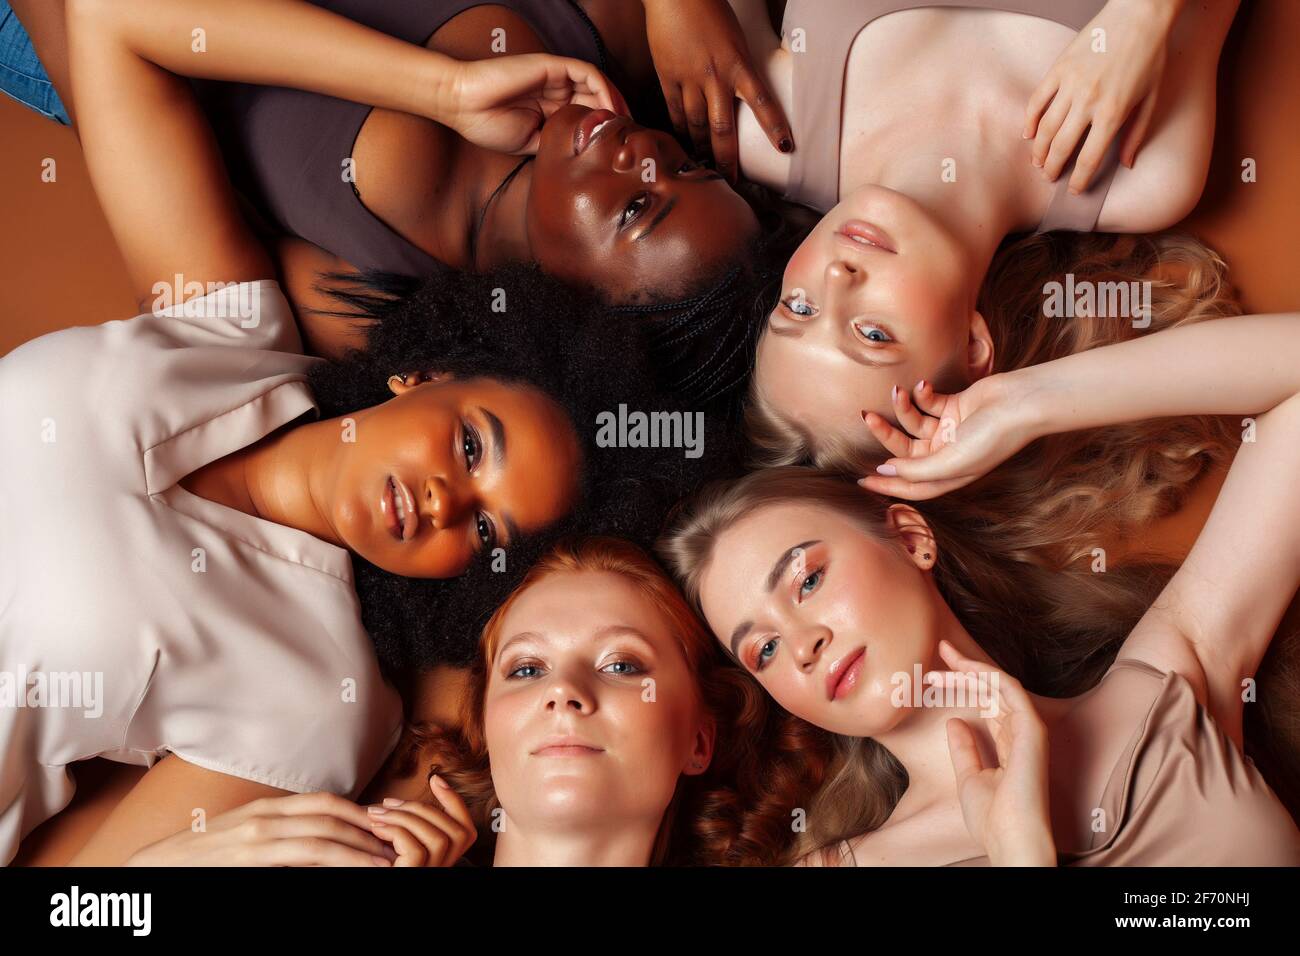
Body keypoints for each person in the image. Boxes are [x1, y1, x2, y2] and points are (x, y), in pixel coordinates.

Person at [0, 0, 715, 867]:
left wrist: (200, 859)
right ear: (426, 375)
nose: (448, 503)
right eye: (470, 447)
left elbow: (83, 903)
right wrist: (448, 90)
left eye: (486, 531)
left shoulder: (312, 701)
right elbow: (111, 18)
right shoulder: (223, 333)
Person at [662, 311, 1300, 864]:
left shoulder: (1166, 686)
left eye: (809, 579)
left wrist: (1026, 405)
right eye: (763, 651)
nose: (801, 643)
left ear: (912, 538)